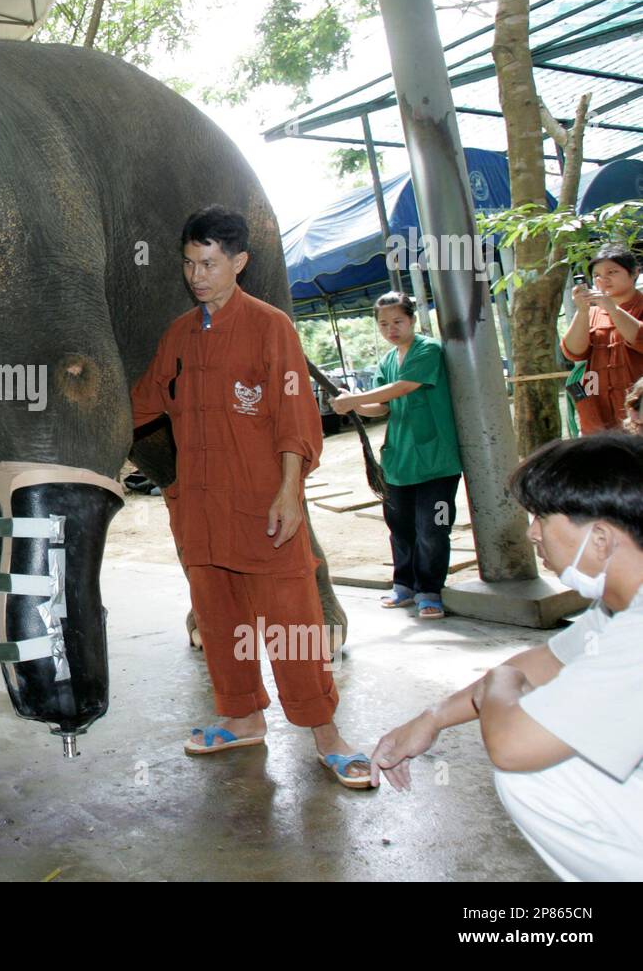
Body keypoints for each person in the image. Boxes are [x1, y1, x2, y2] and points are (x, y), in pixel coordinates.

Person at [131, 205, 372, 789]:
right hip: (202, 511)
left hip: (264, 506)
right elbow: (141, 405)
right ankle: (241, 719)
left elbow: (294, 420)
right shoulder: (180, 336)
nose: (198, 275)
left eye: (209, 263)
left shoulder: (271, 328)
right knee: (219, 618)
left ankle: (326, 734)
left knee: (294, 624)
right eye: (189, 264)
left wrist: (291, 493)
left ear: (239, 262)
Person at [370, 433, 643, 881]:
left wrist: (499, 684)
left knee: (535, 773)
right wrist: (432, 717)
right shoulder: (618, 609)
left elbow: (513, 746)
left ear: (600, 539)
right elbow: (544, 662)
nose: (532, 532)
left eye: (543, 517)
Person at [330, 292, 462, 619]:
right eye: (384, 324)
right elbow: (380, 407)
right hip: (399, 461)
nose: (391, 329)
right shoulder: (387, 361)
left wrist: (357, 398)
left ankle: (430, 590)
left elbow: (403, 387)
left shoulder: (428, 350)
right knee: (400, 527)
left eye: (398, 322)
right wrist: (354, 403)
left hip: (436, 461)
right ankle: (404, 584)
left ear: (412, 320)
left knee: (432, 527)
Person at [560, 245, 643, 434]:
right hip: (598, 408)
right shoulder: (594, 312)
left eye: (612, 272)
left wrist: (612, 309)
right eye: (596, 275)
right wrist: (582, 311)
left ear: (634, 272)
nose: (603, 279)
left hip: (638, 409)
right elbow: (574, 352)